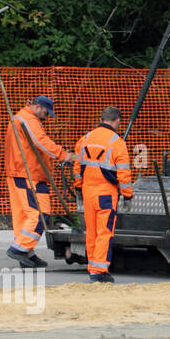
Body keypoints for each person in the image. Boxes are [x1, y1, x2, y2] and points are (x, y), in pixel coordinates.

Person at [4, 95, 73, 268]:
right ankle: (19, 249)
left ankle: (26, 252)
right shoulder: (27, 119)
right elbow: (41, 142)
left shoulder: (22, 118)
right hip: (28, 174)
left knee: (24, 216)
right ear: (36, 106)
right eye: (45, 112)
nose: (47, 116)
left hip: (23, 173)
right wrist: (63, 155)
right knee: (40, 215)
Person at [72, 106, 134, 284]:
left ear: (101, 119)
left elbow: (77, 168)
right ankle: (99, 270)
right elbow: (123, 173)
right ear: (117, 122)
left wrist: (78, 188)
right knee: (104, 233)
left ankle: (93, 268)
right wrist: (127, 196)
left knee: (91, 232)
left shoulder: (85, 139)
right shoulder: (117, 142)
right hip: (106, 193)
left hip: (87, 192)